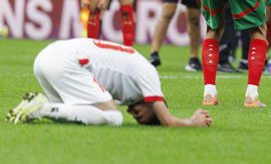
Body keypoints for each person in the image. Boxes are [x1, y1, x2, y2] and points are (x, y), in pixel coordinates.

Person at [6, 38, 211, 127]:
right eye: (143, 116)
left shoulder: (130, 85)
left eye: (136, 117)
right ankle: (41, 109)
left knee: (80, 113)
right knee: (113, 117)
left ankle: (38, 109)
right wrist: (192, 122)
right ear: (154, 105)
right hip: (65, 61)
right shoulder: (150, 76)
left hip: (47, 57)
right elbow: (169, 122)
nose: (132, 113)